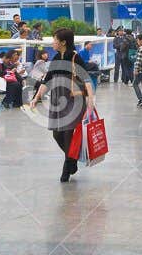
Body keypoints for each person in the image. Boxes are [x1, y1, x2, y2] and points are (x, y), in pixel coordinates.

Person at [29, 28, 95, 184]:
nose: (53, 42)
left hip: (73, 100)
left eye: (55, 40)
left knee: (66, 134)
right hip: (57, 100)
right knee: (57, 134)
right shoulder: (56, 57)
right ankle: (72, 159)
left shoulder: (75, 58)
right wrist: (36, 98)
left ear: (63, 42)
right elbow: (47, 81)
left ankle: (67, 167)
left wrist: (90, 100)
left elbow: (86, 80)